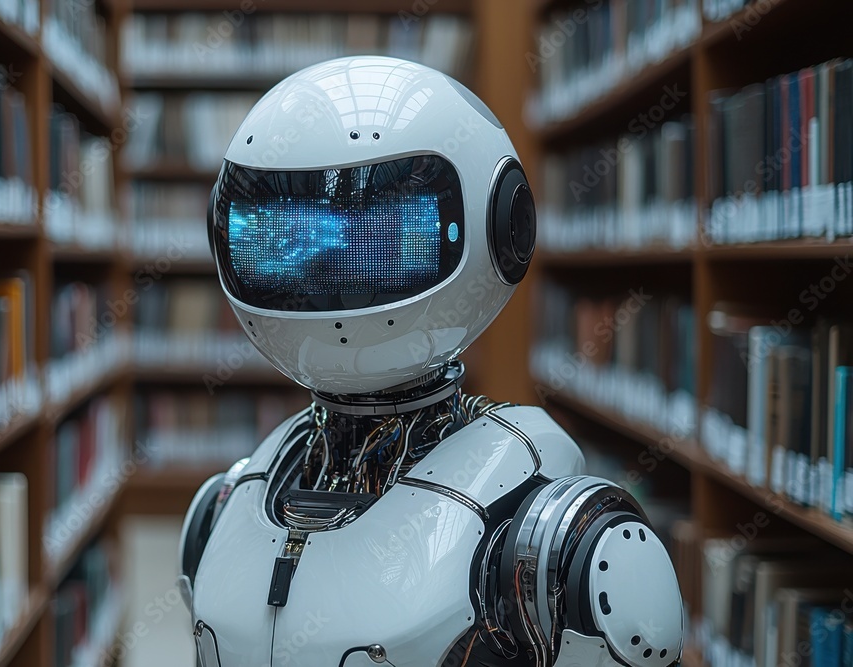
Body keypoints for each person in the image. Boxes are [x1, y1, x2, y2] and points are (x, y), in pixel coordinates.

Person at [179, 55, 683, 667]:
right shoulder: (228, 503)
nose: (330, 255)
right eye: (284, 235)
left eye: (383, 233)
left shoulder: (558, 546)